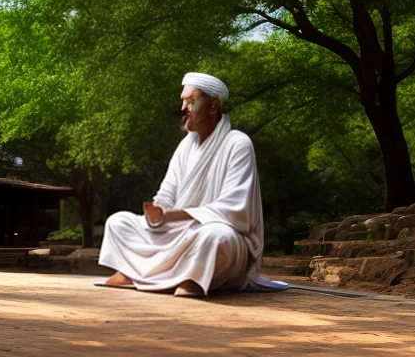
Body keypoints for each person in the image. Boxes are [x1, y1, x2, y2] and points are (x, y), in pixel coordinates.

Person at [99, 72, 282, 296]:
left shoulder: (238, 144)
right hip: (179, 232)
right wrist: (157, 211)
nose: (183, 108)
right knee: (119, 223)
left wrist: (172, 216)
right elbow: (167, 193)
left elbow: (235, 210)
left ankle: (191, 278)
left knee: (215, 237)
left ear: (213, 107)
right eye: (183, 101)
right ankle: (134, 273)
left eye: (191, 101)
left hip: (220, 233)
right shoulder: (186, 146)